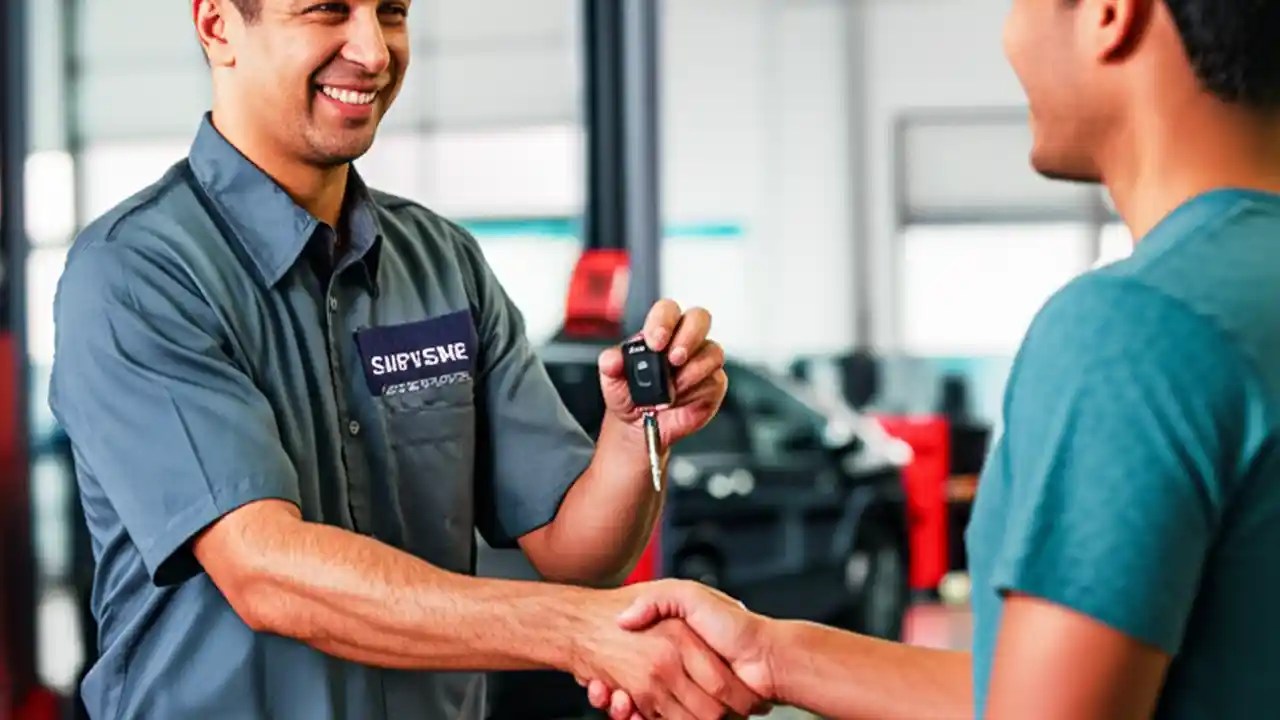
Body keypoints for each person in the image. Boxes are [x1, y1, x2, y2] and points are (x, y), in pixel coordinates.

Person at [47, 1, 766, 719]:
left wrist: (633, 434)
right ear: (217, 27)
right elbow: (265, 571)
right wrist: (574, 634)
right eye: (328, 10)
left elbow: (578, 554)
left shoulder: (442, 262)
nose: (374, 50)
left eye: (390, 12)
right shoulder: (137, 273)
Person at [585, 0, 1280, 718]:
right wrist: (770, 653)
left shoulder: (1135, 328)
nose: (1011, 36)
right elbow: (1039, 694)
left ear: (1111, 13)